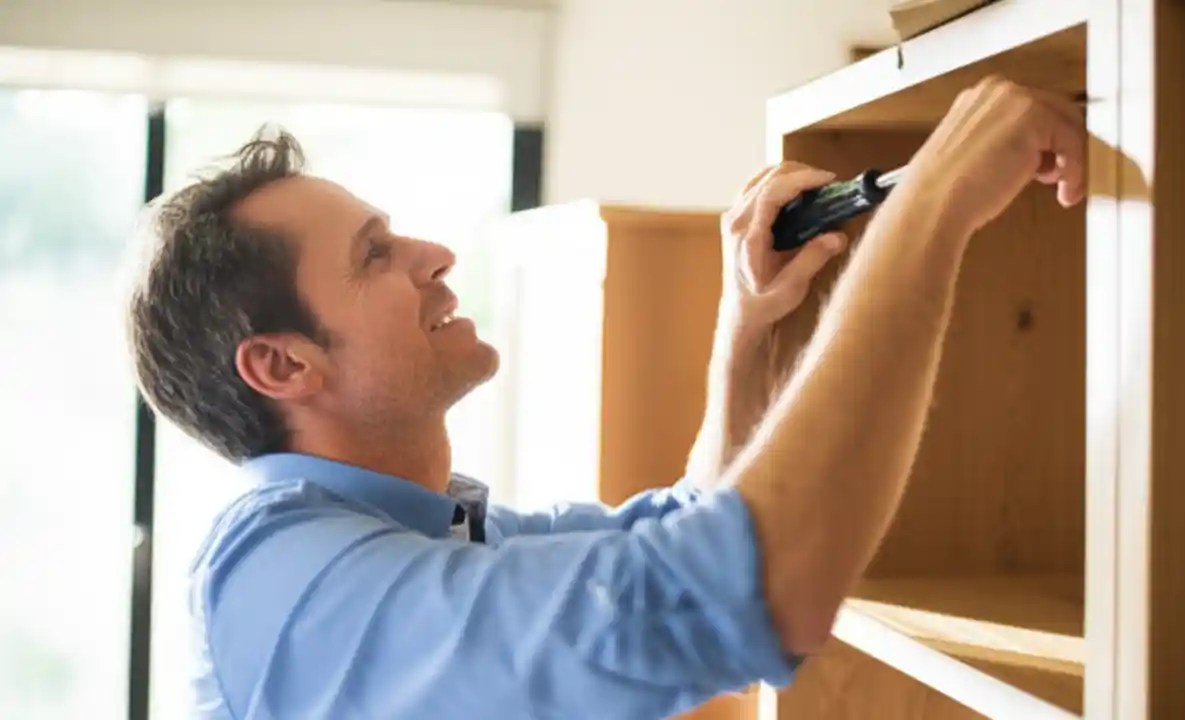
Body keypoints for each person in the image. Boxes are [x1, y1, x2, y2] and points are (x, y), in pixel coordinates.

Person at [125, 76, 1084, 720]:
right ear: (284, 368)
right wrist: (936, 205)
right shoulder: (283, 570)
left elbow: (679, 531)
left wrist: (745, 328)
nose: (434, 255)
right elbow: (734, 589)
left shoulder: (440, 535)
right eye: (375, 254)